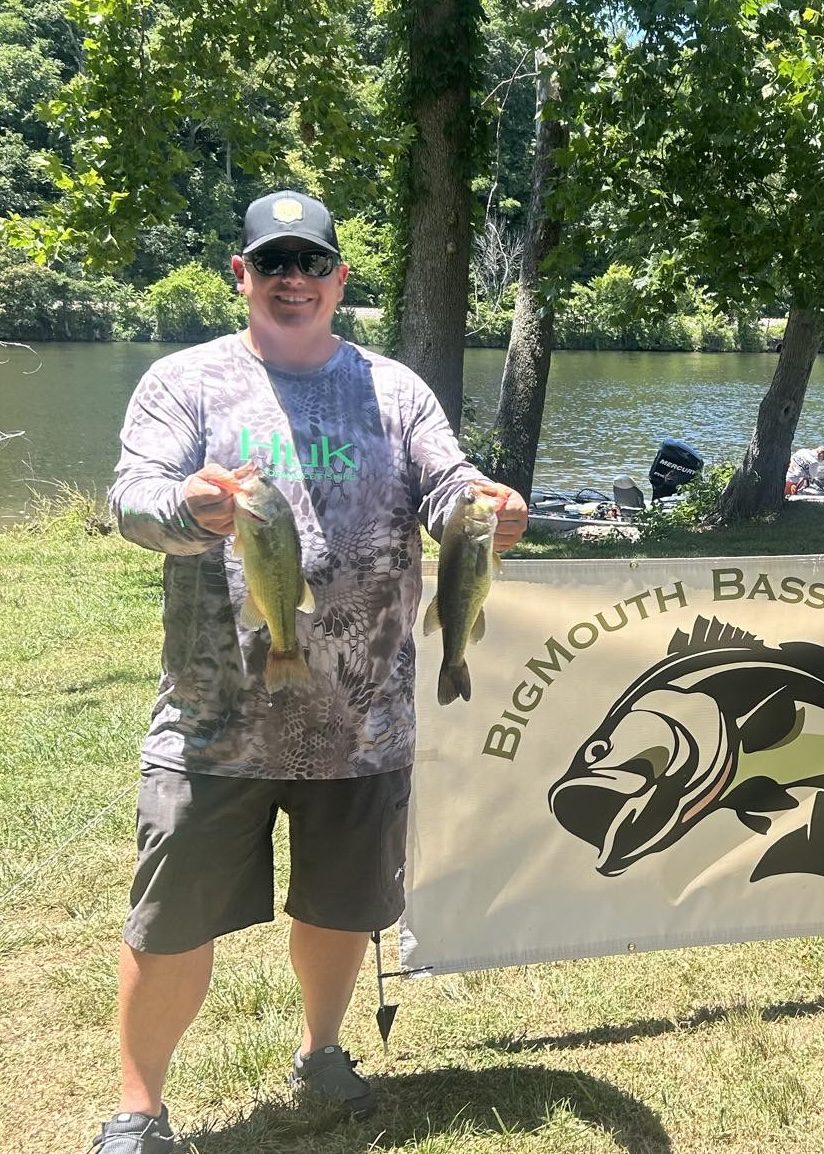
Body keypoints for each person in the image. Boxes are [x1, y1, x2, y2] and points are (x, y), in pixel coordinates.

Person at [91, 190, 528, 1153]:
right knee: (170, 922)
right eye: (273, 263)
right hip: (214, 718)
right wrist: (191, 509)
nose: (294, 280)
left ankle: (323, 1050)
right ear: (242, 276)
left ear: (339, 279)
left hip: (364, 715)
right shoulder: (185, 382)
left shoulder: (395, 391)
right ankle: (138, 1109)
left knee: (341, 909)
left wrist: (485, 506)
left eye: (311, 263)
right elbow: (131, 500)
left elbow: (447, 484)